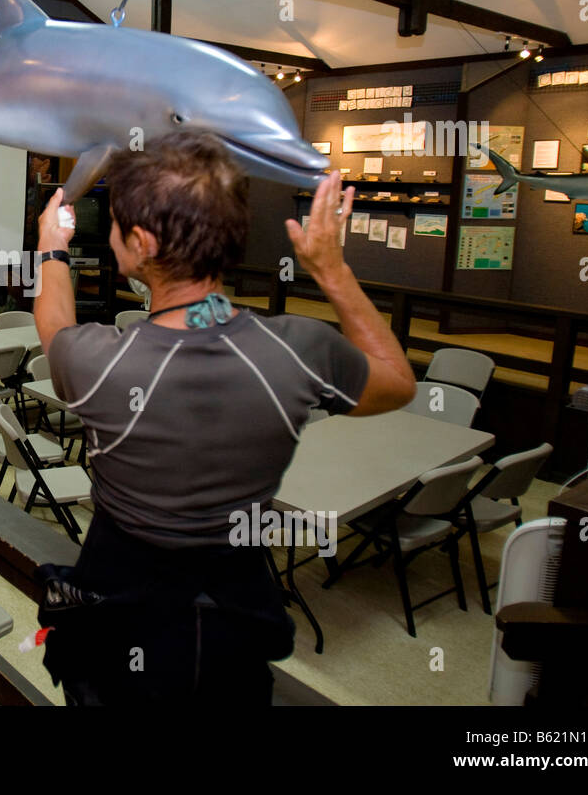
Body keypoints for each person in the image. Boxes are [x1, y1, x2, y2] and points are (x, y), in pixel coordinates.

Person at [31, 130, 416, 705]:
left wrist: (52, 247)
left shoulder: (97, 362)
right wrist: (331, 270)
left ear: (140, 242)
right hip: (235, 623)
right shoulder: (299, 349)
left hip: (119, 627)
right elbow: (398, 381)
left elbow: (54, 320)